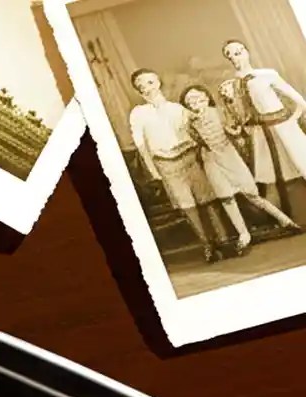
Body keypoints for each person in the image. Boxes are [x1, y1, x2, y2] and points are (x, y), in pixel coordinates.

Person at [182, 85, 299, 254]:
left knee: (252, 194)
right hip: (211, 160)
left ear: (206, 98)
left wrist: (234, 126)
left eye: (198, 97)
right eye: (189, 100)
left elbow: (235, 131)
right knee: (226, 198)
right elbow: (196, 140)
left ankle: (285, 221)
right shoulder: (190, 122)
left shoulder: (219, 112)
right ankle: (243, 234)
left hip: (229, 155)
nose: (194, 102)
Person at [128, 69, 221, 261]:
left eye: (150, 82)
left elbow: (199, 125)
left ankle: (223, 239)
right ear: (138, 91)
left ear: (158, 82)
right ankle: (207, 245)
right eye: (141, 85)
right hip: (166, 164)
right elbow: (141, 145)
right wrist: (153, 171)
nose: (146, 87)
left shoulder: (177, 108)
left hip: (189, 157)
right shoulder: (138, 113)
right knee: (187, 206)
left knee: (207, 200)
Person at [223, 40, 306, 212]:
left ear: (247, 52)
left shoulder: (267, 74)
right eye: (229, 54)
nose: (235, 56)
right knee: (274, 175)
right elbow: (240, 116)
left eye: (239, 51)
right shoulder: (232, 85)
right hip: (261, 133)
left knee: (301, 163)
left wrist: (292, 121)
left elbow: (299, 101)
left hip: (283, 128)